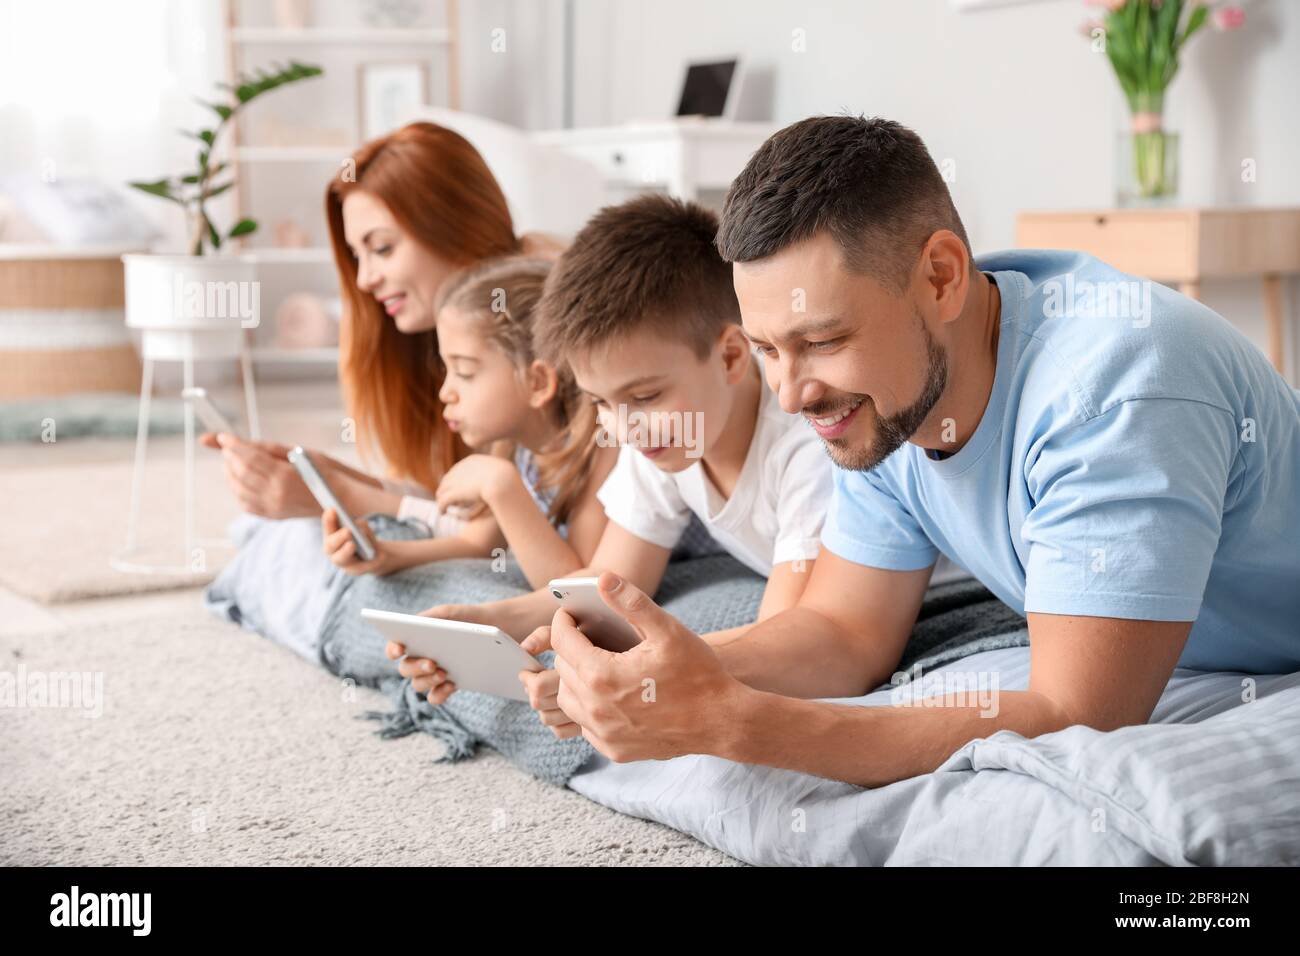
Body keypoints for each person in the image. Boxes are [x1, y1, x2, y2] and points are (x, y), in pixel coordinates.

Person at [524, 115, 1300, 788]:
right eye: (767, 351)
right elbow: (844, 634)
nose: (790, 396)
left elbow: (1077, 715)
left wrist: (736, 723)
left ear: (941, 276)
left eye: (822, 341)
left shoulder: (1114, 387)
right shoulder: (888, 406)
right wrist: (659, 669)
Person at [393, 195, 836, 707]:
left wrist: (629, 673)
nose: (624, 429)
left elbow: (782, 641)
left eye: (645, 397)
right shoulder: (665, 436)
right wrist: (490, 621)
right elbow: (609, 582)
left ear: (731, 355)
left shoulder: (804, 446)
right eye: (601, 402)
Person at [200, 121, 564, 520]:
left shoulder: (547, 335)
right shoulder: (432, 342)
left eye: (383, 248)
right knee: (274, 528)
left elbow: (500, 537)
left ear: (458, 226)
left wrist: (340, 497)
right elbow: (449, 504)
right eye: (357, 255)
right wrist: (330, 479)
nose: (364, 279)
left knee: (308, 536)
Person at [322, 256, 616, 585]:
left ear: (537, 383)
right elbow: (476, 544)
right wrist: (385, 555)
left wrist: (502, 487)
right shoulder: (514, 446)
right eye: (446, 369)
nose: (445, 392)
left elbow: (574, 587)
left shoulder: (602, 448)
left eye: (464, 372)